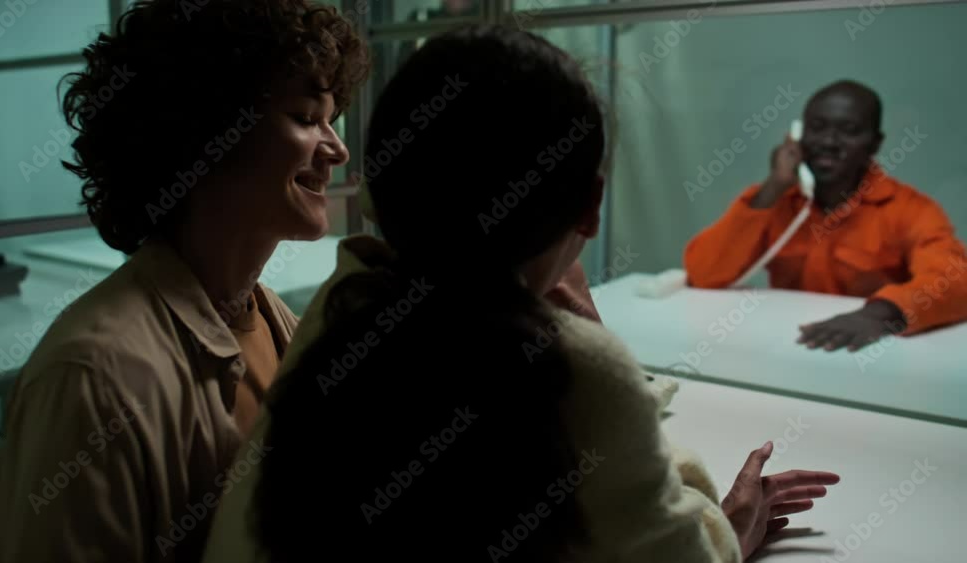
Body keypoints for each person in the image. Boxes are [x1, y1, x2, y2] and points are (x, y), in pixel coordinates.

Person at [203, 24, 838, 563]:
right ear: (589, 208)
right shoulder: (572, 368)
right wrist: (730, 523)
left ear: (377, 187)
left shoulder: (341, 303)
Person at [0, 1, 368, 562]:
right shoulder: (92, 380)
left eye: (332, 118)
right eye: (307, 117)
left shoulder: (277, 321)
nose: (336, 148)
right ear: (208, 134)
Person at [684, 80, 967, 352]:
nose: (829, 142)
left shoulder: (910, 209)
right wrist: (774, 186)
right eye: (817, 128)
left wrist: (880, 314)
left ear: (875, 143)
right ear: (797, 135)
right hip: (788, 345)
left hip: (870, 354)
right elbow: (704, 274)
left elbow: (955, 281)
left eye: (849, 130)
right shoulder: (775, 200)